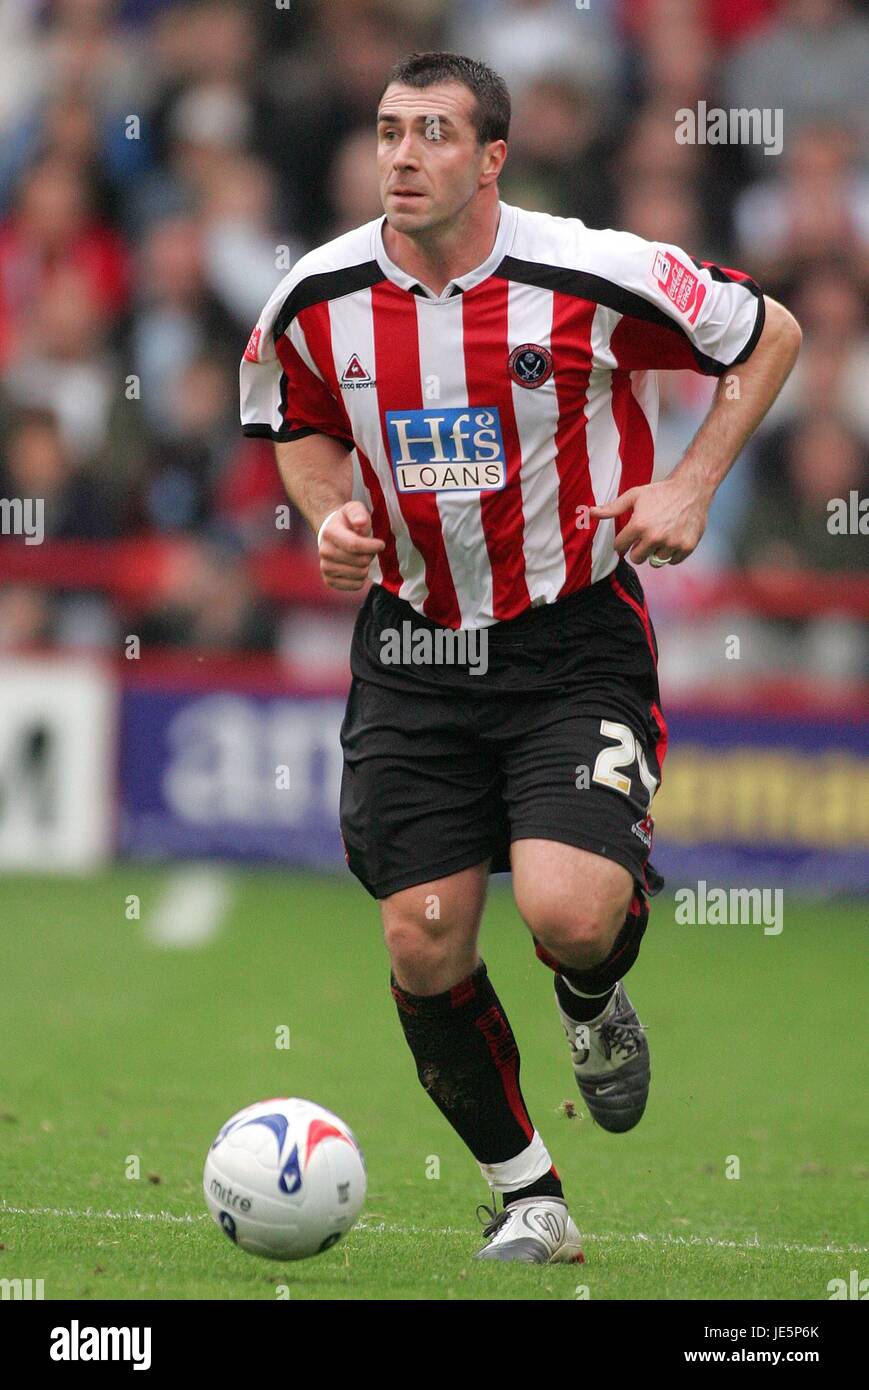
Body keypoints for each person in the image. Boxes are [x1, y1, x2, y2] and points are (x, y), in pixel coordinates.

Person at [239, 52, 801, 1264]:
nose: (400, 154)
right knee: (421, 936)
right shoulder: (316, 294)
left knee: (569, 912)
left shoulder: (590, 272)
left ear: (492, 157)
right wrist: (330, 513)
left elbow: (770, 331)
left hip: (568, 639)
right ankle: (528, 1197)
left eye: (432, 132)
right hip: (411, 647)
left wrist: (692, 483)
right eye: (387, 130)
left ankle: (590, 999)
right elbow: (293, 424)